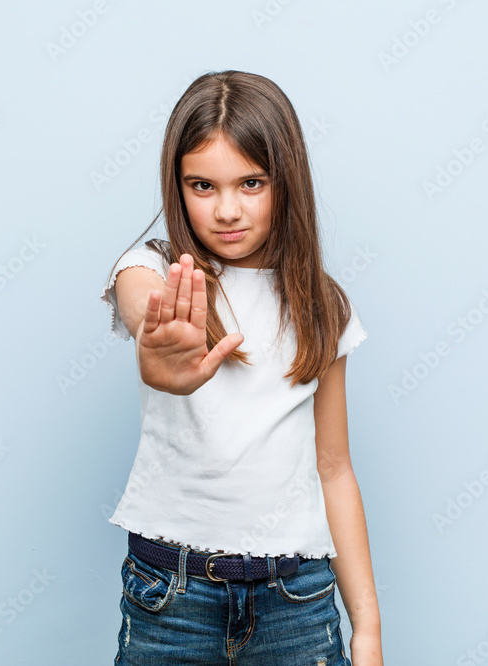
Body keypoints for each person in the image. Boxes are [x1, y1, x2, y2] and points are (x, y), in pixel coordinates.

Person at [99, 70, 384, 665]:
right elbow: (141, 298)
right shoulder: (157, 268)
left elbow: (334, 468)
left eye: (251, 183)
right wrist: (157, 338)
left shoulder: (321, 304)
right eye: (202, 185)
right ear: (177, 185)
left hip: (297, 601)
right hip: (170, 597)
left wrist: (367, 629)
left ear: (286, 181)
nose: (227, 210)